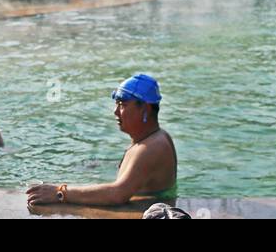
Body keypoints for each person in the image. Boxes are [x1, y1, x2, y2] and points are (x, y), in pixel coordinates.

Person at [26, 73, 177, 206]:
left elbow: (117, 194)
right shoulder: (151, 138)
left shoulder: (152, 147)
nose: (115, 111)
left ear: (145, 109)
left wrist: (60, 193)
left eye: (122, 105)